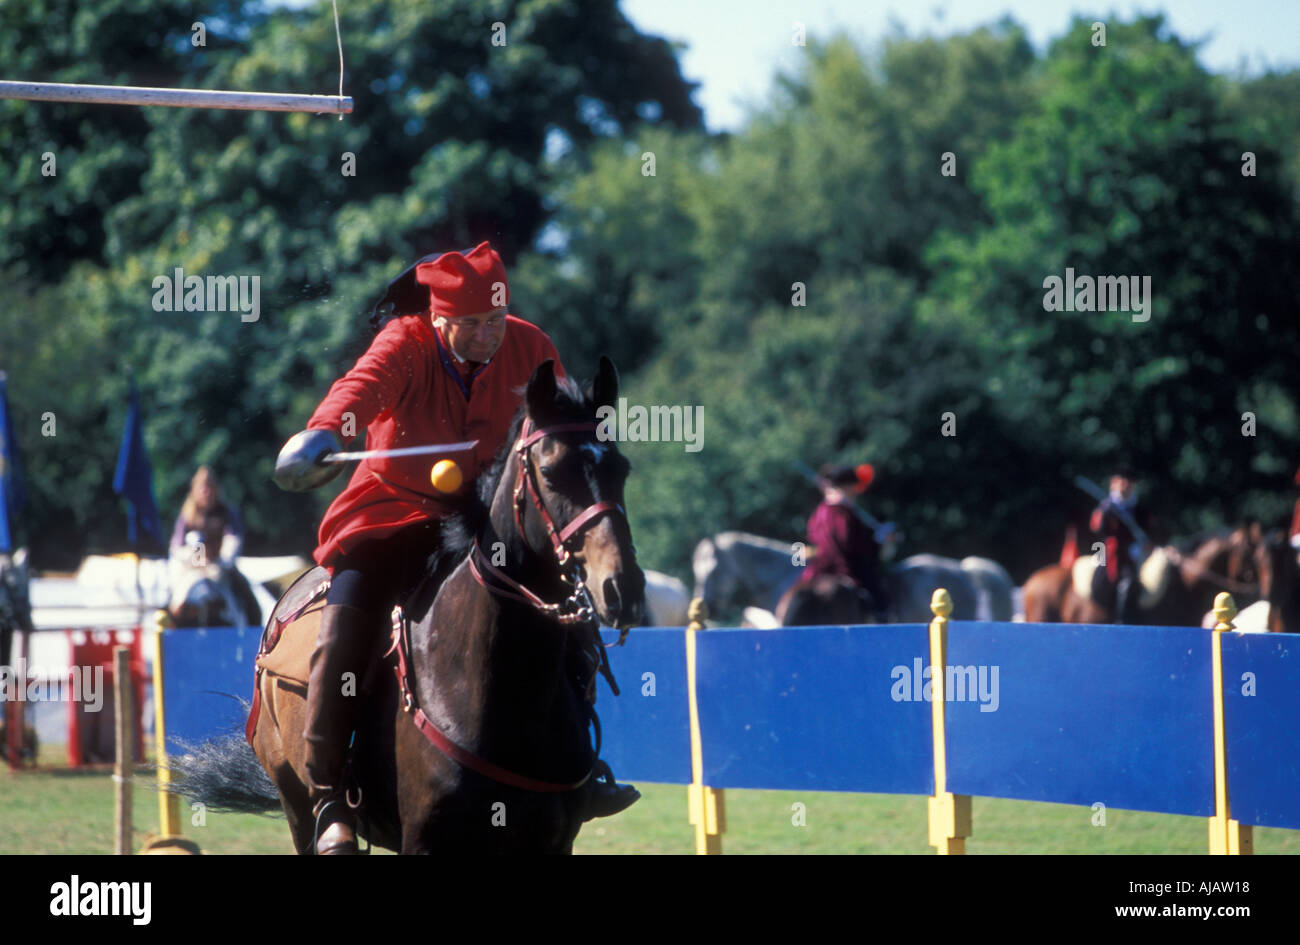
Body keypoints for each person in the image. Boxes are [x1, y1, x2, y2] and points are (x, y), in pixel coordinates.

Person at [273, 241, 637, 854]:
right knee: (346, 628)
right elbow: (357, 390)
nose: (488, 336)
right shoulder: (404, 343)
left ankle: (579, 770)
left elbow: (565, 427)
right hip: (390, 518)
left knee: (564, 616)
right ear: (439, 319)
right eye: (471, 325)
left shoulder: (531, 346)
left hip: (485, 524)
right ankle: (329, 793)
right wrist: (324, 433)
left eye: (495, 321)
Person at [799, 463, 891, 621]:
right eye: (853, 487)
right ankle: (882, 618)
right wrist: (881, 543)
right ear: (849, 486)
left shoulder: (819, 512)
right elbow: (854, 546)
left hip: (817, 571)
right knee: (878, 598)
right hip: (844, 569)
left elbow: (814, 541)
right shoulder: (845, 513)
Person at [169, 467, 260, 625]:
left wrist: (220, 560)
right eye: (202, 488)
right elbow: (176, 547)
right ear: (195, 490)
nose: (206, 492)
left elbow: (233, 540)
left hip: (219, 567)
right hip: (190, 569)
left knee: (249, 598)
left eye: (209, 487)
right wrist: (195, 557)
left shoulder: (226, 512)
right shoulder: (187, 516)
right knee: (173, 600)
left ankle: (252, 628)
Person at [1088, 468, 1158, 623]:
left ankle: (1126, 617)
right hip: (1105, 549)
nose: (1125, 485)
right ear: (1114, 484)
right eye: (1121, 481)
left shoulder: (1140, 509)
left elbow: (1150, 531)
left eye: (1129, 482)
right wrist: (1105, 512)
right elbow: (1097, 531)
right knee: (1105, 577)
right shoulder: (1106, 507)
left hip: (1133, 552)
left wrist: (1144, 544)